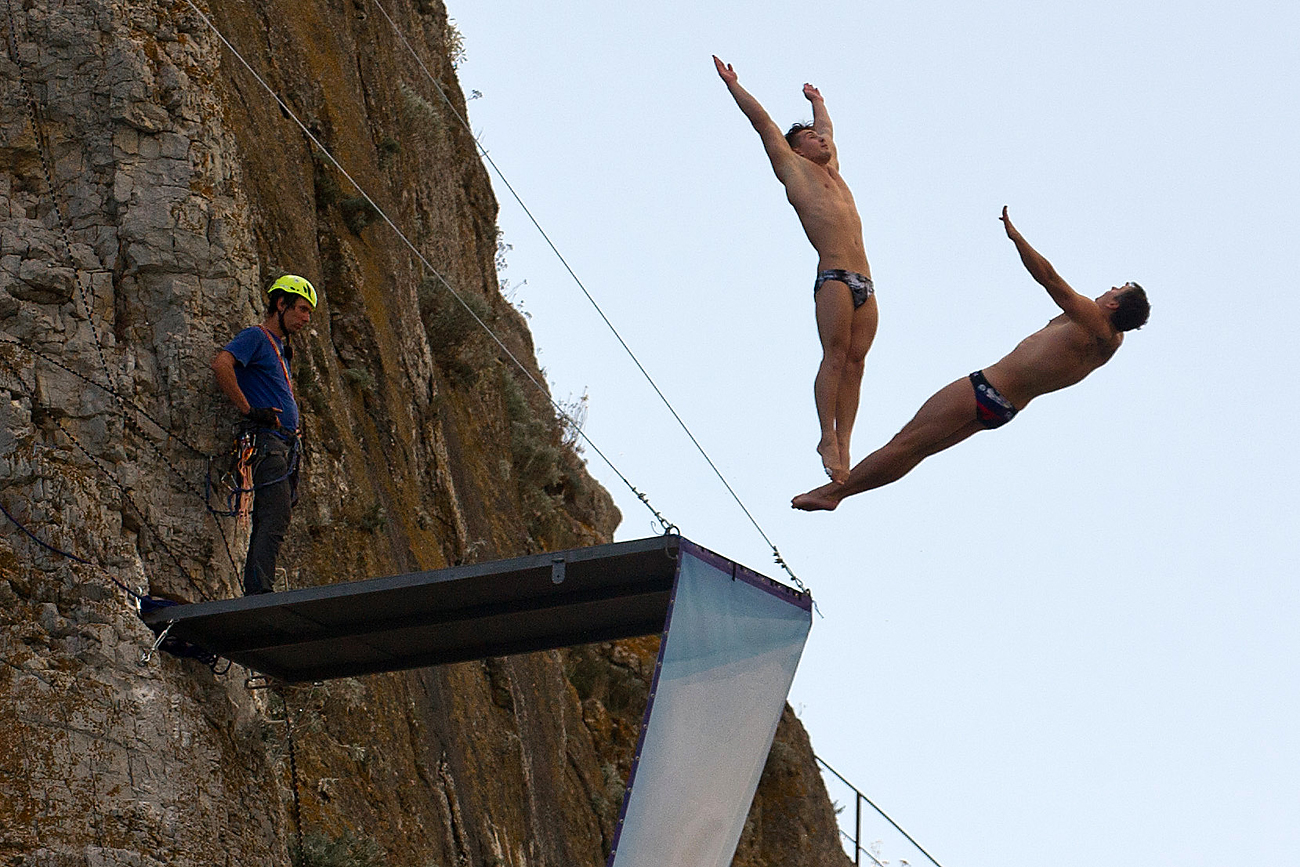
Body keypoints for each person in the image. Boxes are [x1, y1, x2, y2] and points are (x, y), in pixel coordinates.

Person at [792, 207, 1150, 511]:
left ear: (1115, 304)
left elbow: (1051, 281)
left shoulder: (1097, 324)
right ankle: (840, 494)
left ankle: (835, 492)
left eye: (1118, 289)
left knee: (906, 443)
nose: (1111, 288)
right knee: (914, 452)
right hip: (1002, 409)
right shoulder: (1110, 343)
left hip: (984, 388)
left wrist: (1016, 238)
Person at [714, 55, 878, 483]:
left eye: (821, 138)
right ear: (797, 148)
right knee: (837, 355)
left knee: (857, 365)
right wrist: (734, 84)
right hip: (835, 278)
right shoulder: (792, 169)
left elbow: (828, 131)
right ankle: (827, 435)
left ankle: (845, 444)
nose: (821, 142)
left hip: (867, 283)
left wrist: (817, 103)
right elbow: (763, 122)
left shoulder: (834, 172)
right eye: (811, 138)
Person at [211, 274, 318, 594]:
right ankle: (259, 591)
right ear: (280, 304)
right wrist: (248, 409)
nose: (305, 318)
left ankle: (260, 586)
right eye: (301, 309)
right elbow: (221, 364)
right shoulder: (256, 337)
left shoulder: (280, 350)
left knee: (279, 511)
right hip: (265, 439)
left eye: (309, 312)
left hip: (282, 443)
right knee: (276, 512)